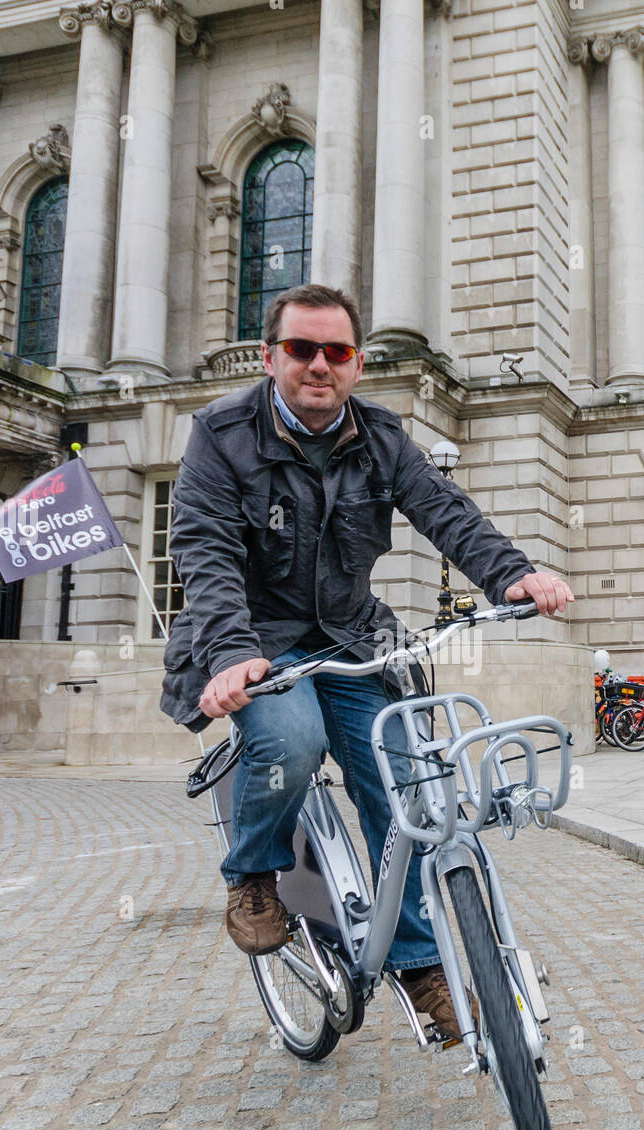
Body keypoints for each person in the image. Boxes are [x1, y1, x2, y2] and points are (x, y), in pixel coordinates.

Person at [165, 283, 573, 1038]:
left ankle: (418, 965)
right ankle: (254, 876)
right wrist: (228, 654)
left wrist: (510, 573)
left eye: (337, 352)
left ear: (355, 365)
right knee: (290, 741)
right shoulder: (221, 434)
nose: (319, 365)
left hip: (351, 636)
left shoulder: (381, 437)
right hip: (253, 638)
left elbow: (443, 510)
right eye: (301, 349)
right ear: (270, 357)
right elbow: (206, 551)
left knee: (406, 783)